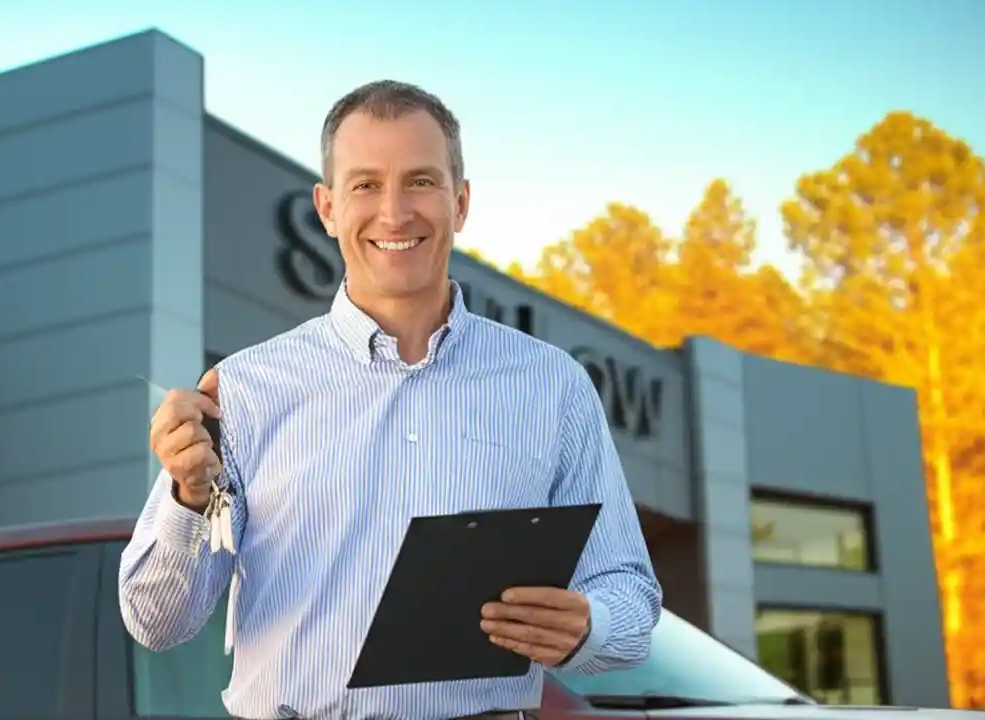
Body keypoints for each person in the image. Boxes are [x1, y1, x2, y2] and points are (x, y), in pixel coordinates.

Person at [119, 79, 662, 720]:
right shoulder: (243, 391)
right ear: (326, 208)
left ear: (460, 202)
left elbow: (629, 591)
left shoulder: (552, 386)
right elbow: (155, 621)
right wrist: (187, 494)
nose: (395, 212)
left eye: (422, 182)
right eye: (366, 184)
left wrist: (588, 629)